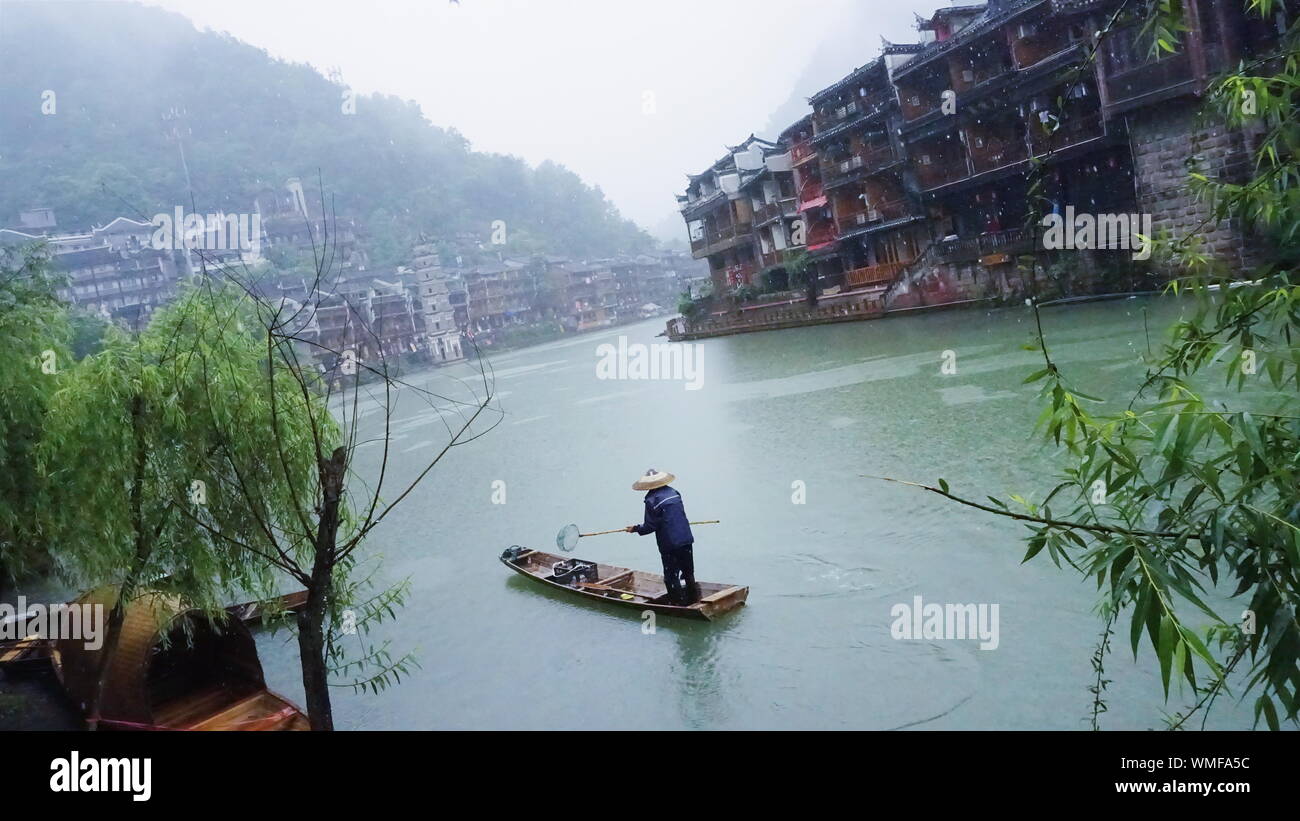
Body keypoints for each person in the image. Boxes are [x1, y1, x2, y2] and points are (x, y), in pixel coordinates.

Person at [625, 468, 700, 606]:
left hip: (670, 544)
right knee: (688, 572)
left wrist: (635, 529)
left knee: (671, 576)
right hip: (686, 538)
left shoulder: (651, 500)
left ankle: (678, 605)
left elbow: (650, 526)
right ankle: (694, 600)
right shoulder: (674, 493)